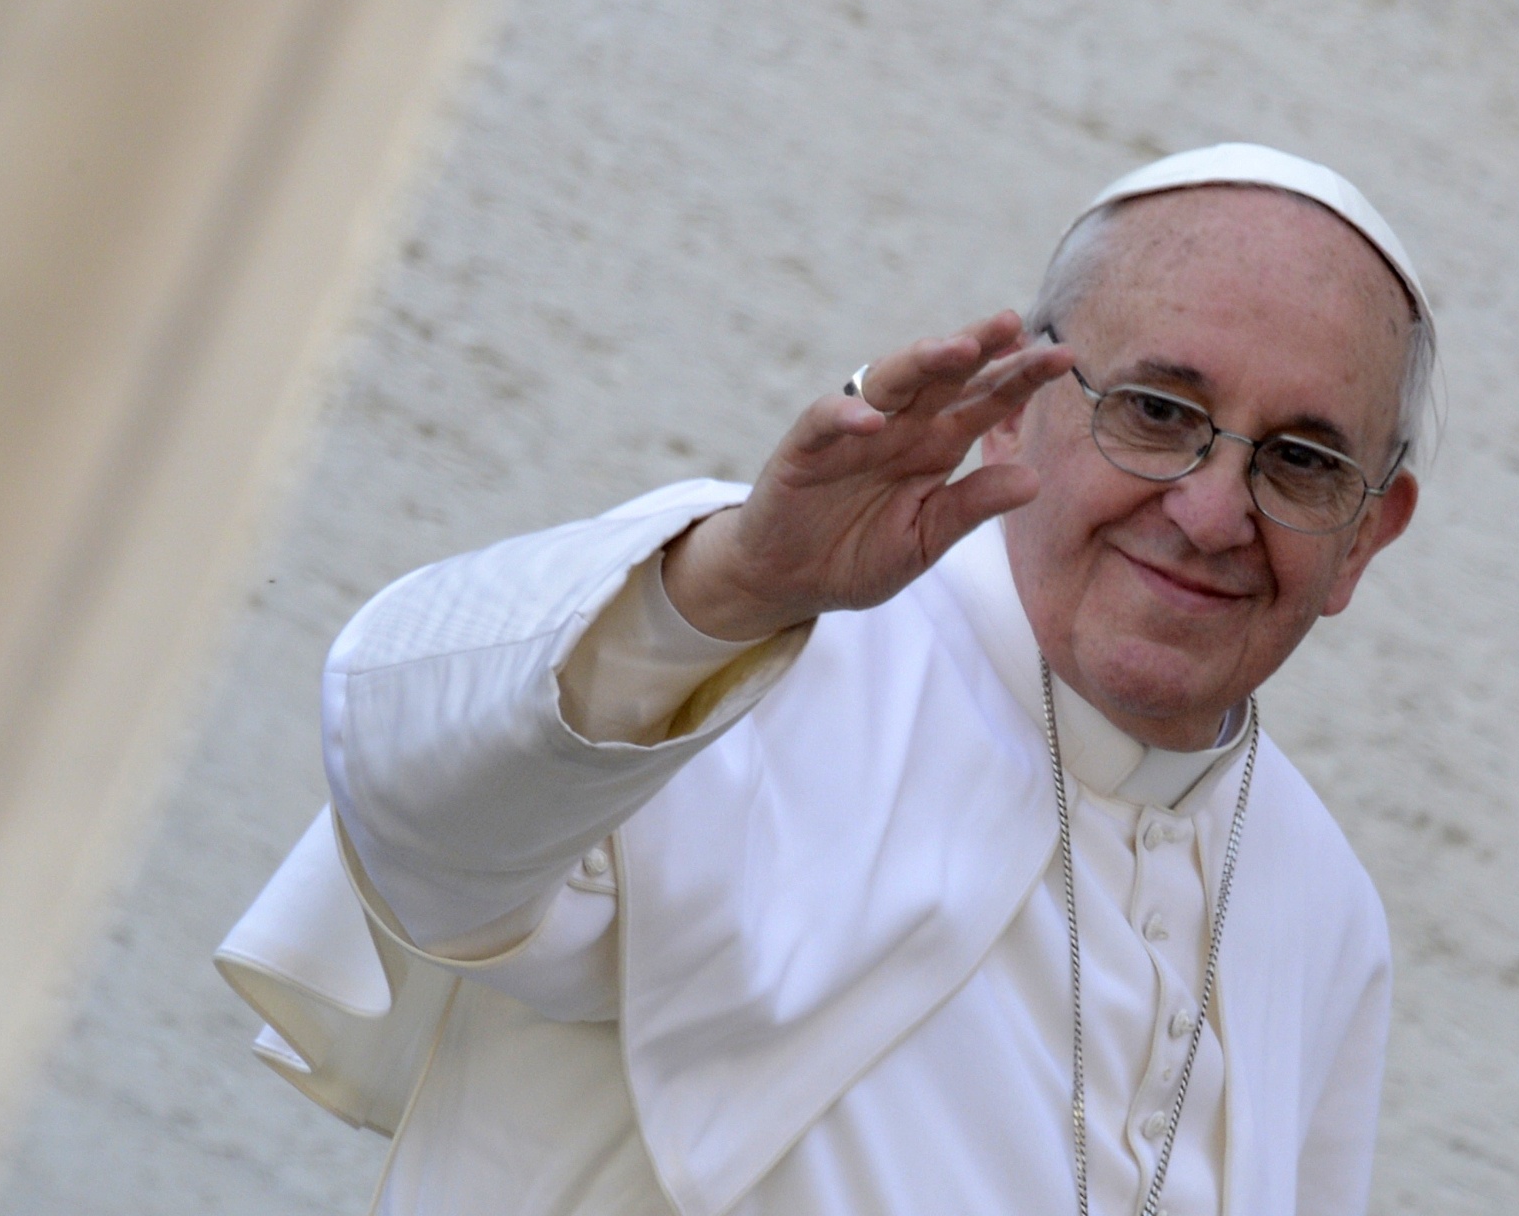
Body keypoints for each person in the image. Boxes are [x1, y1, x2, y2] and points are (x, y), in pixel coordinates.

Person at [217, 142, 1435, 1216]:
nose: (1213, 512)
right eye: (1160, 412)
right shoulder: (730, 631)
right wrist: (734, 583)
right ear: (1013, 409)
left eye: (1303, 461)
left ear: (1368, 538)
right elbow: (418, 816)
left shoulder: (1324, 905)